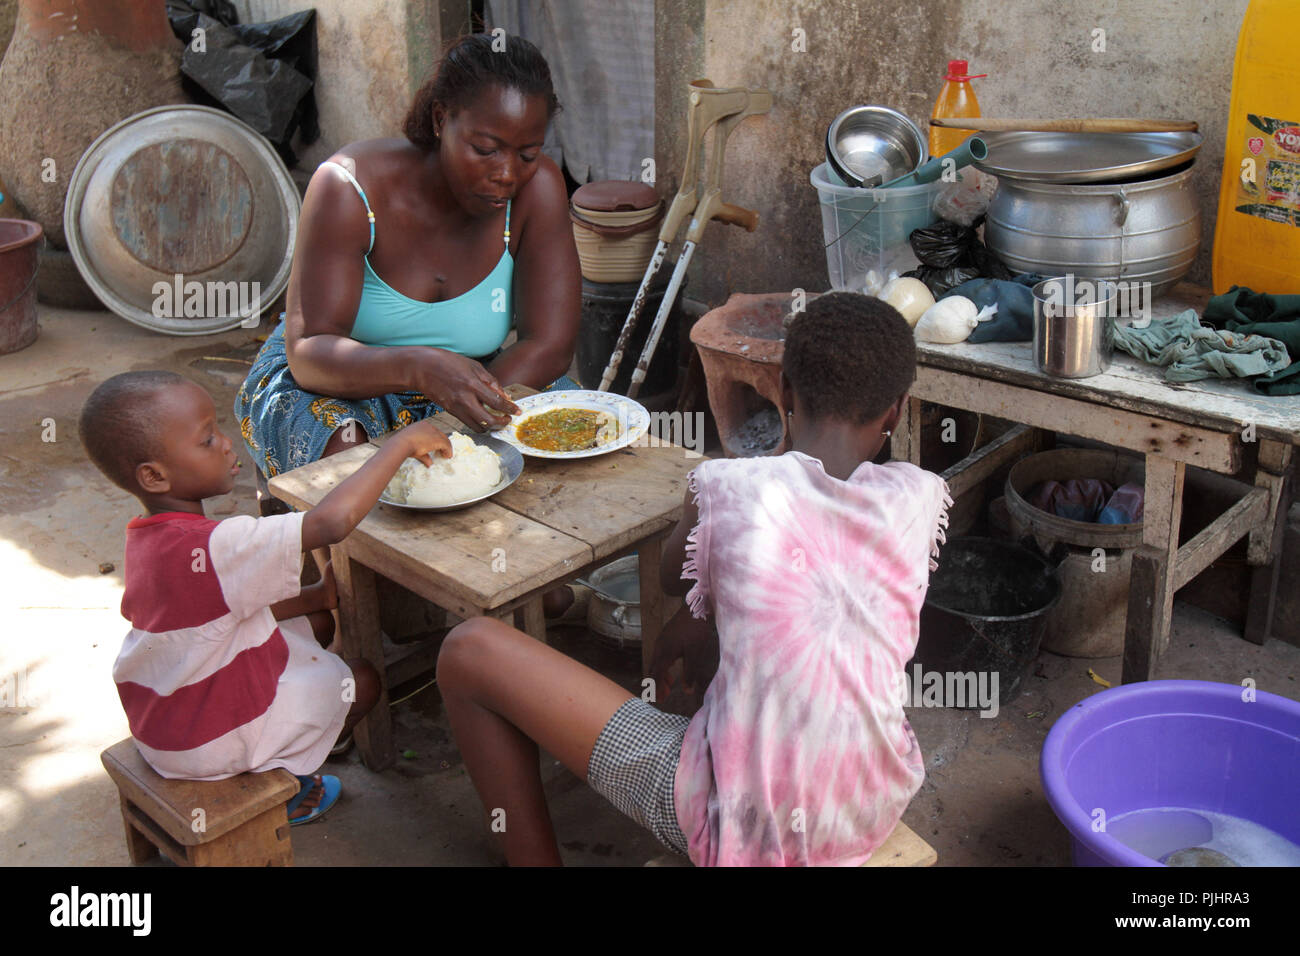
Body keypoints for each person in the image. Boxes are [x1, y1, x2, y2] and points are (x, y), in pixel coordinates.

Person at [435, 292, 952, 865]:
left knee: (468, 649)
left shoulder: (730, 487)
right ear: (897, 411)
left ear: (781, 391)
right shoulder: (918, 497)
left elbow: (667, 578)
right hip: (869, 801)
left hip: (741, 826)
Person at [81, 370, 452, 823]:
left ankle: (301, 736)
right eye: (205, 440)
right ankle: (290, 782)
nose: (225, 441)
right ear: (154, 476)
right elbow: (328, 524)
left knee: (320, 623)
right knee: (362, 680)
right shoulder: (219, 544)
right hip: (209, 742)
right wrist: (400, 445)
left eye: (217, 427)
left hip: (164, 720)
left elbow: (214, 612)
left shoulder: (148, 538)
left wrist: (316, 595)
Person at [234, 31, 579, 483]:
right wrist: (420, 368)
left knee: (568, 434)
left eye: (528, 154)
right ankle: (337, 551)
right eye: (486, 150)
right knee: (350, 461)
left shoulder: (537, 190)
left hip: (478, 374)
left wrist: (468, 405)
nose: (507, 173)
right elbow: (310, 351)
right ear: (441, 119)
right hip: (340, 383)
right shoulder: (349, 189)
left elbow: (549, 344)